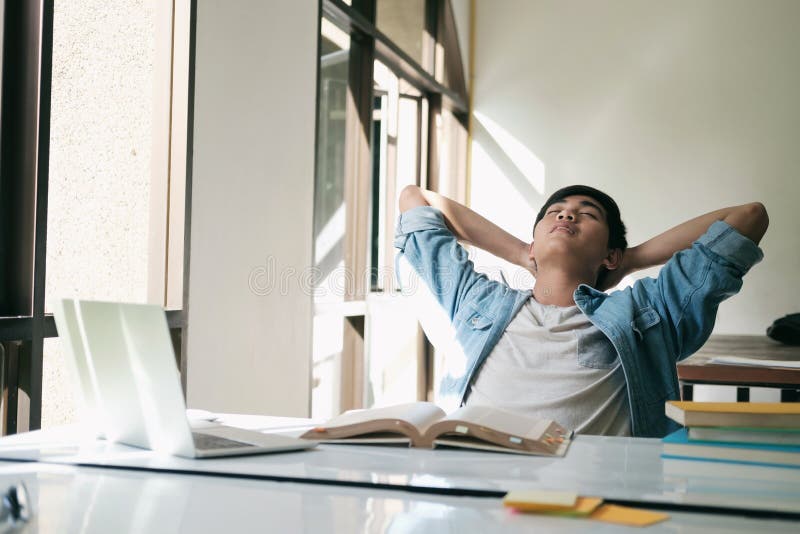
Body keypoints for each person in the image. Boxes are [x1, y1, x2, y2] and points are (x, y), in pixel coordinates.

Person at [395, 184, 768, 437]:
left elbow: (748, 217)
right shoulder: (476, 300)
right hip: (476, 492)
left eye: (586, 214)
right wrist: (521, 252)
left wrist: (632, 260)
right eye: (554, 213)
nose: (566, 216)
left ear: (610, 254)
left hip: (595, 502)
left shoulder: (646, 312)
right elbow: (415, 199)